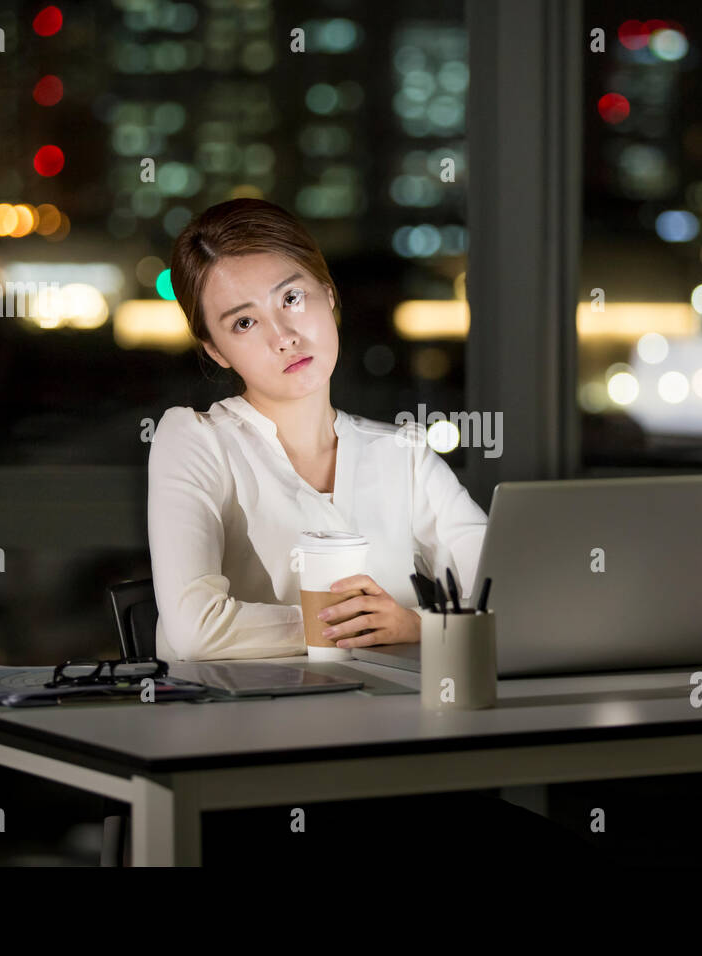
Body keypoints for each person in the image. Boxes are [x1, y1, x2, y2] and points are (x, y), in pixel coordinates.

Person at [152, 198, 597, 864]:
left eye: (292, 298)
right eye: (244, 321)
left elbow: (511, 591)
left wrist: (413, 625)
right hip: (250, 789)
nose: (283, 335)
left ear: (328, 297)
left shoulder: (403, 454)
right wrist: (362, 625)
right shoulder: (196, 440)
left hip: (402, 775)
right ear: (215, 349)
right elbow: (193, 627)